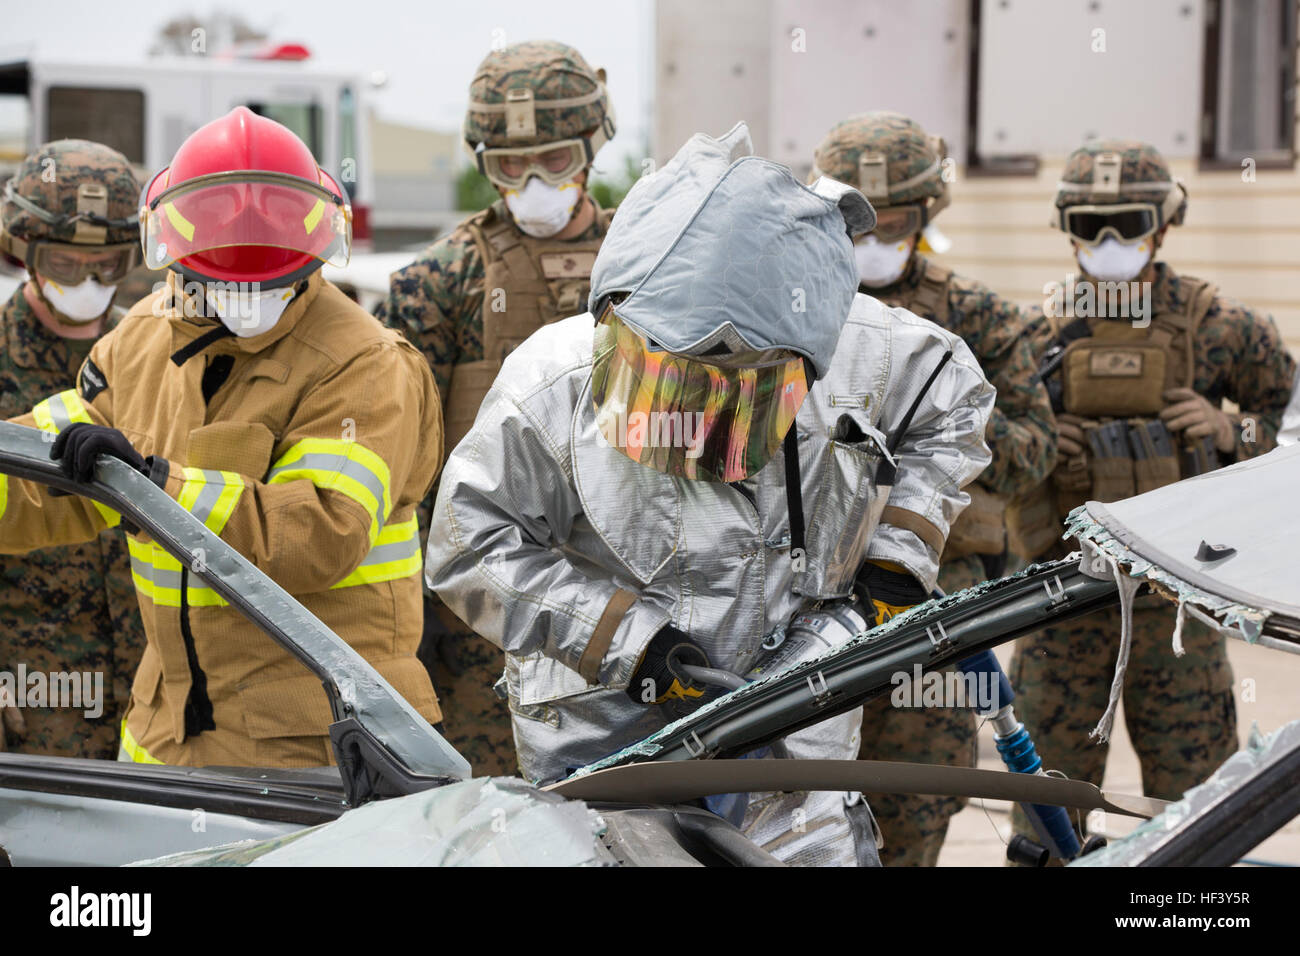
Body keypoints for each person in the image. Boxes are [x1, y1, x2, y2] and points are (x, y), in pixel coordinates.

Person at [427, 123, 995, 864]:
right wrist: (630, 643)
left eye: (730, 396)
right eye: (667, 383)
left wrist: (895, 559)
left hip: (800, 760)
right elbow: (467, 541)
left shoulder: (869, 350)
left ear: (805, 361)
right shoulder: (551, 385)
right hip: (605, 758)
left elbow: (954, 407)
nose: (694, 429)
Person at [0, 107, 444, 766]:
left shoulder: (366, 362)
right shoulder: (144, 338)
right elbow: (51, 474)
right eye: (217, 282)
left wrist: (156, 486)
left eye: (270, 282)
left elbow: (320, 532)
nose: (243, 300)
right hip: (165, 733)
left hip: (319, 744)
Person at [1007, 140, 1297, 848]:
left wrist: (1231, 431)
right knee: (1046, 819)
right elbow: (980, 449)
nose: (1107, 243)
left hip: (1184, 604)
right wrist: (1043, 440)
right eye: (1088, 224)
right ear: (1063, 226)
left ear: (1165, 224)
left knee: (1201, 807)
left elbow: (1287, 437)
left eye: (1127, 223)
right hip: (1060, 605)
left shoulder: (1224, 328)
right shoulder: (1027, 334)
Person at [809, 111, 1058, 865]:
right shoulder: (801, 302)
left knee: (913, 806)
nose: (877, 236)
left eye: (897, 220)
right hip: (809, 602)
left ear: (928, 214)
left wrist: (935, 439)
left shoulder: (978, 315)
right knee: (798, 801)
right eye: (861, 221)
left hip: (934, 609)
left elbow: (1035, 447)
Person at [377, 39, 618, 776]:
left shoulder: (648, 264)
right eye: (512, 166)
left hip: (630, 609)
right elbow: (405, 474)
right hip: (488, 620)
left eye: (556, 160)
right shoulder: (438, 283)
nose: (536, 182)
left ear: (592, 149)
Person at [0, 139, 146, 758]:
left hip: (152, 684)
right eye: (64, 262)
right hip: (34, 682)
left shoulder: (153, 350)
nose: (88, 282)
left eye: (107, 265)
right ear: (23, 252)